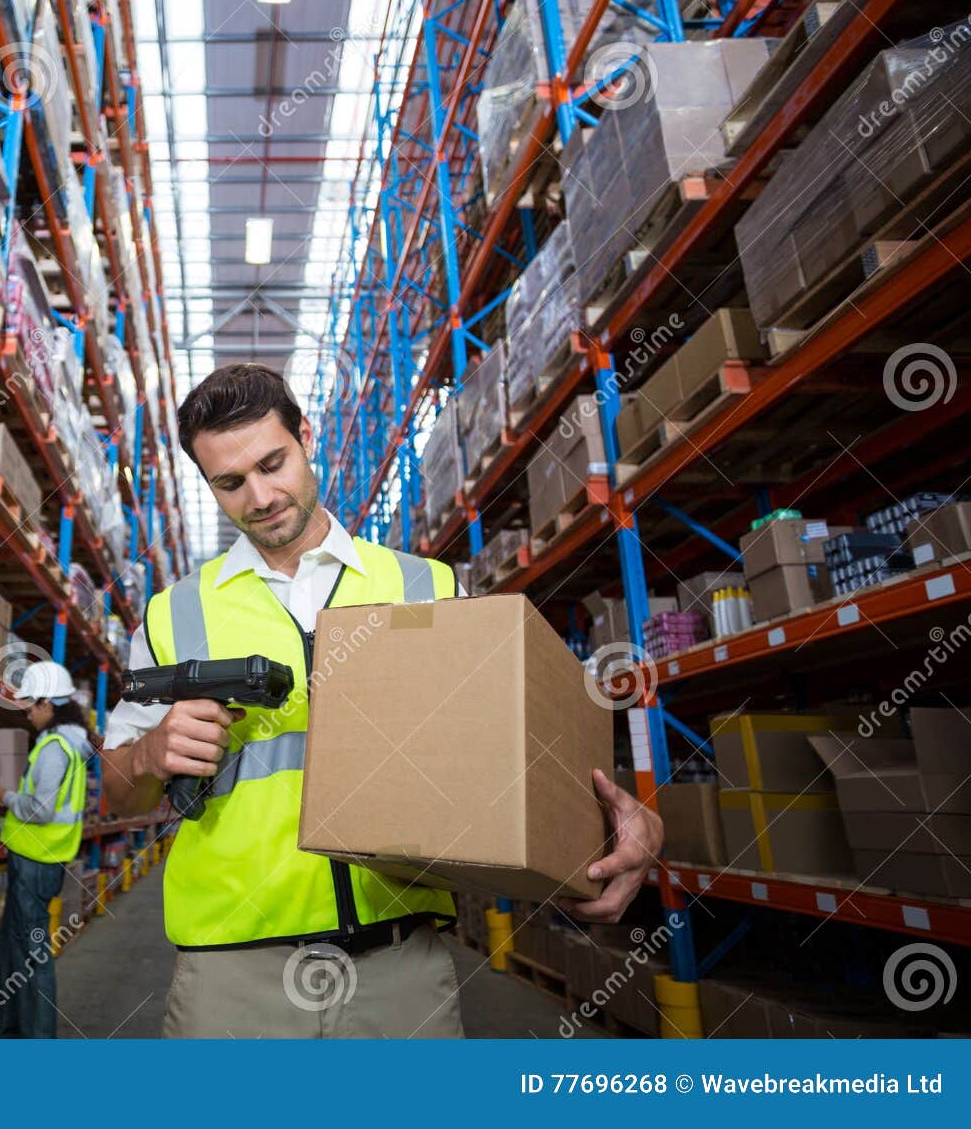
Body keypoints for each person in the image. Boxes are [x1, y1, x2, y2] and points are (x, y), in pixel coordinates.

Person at [100, 363, 663, 1038]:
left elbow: (519, 739)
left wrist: (616, 824)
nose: (260, 496)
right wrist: (149, 755)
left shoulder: (425, 586)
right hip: (230, 977)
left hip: (400, 969)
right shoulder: (173, 614)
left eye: (273, 464)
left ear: (307, 438)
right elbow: (118, 794)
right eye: (230, 482)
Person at [0, 660, 94, 1038]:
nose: (27, 714)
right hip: (38, 859)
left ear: (48, 703)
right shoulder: (68, 743)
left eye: (31, 706)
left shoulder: (55, 748)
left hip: (36, 861)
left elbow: (41, 810)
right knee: (15, 947)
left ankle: (39, 1038)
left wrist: (6, 797)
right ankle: (12, 1029)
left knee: (33, 955)